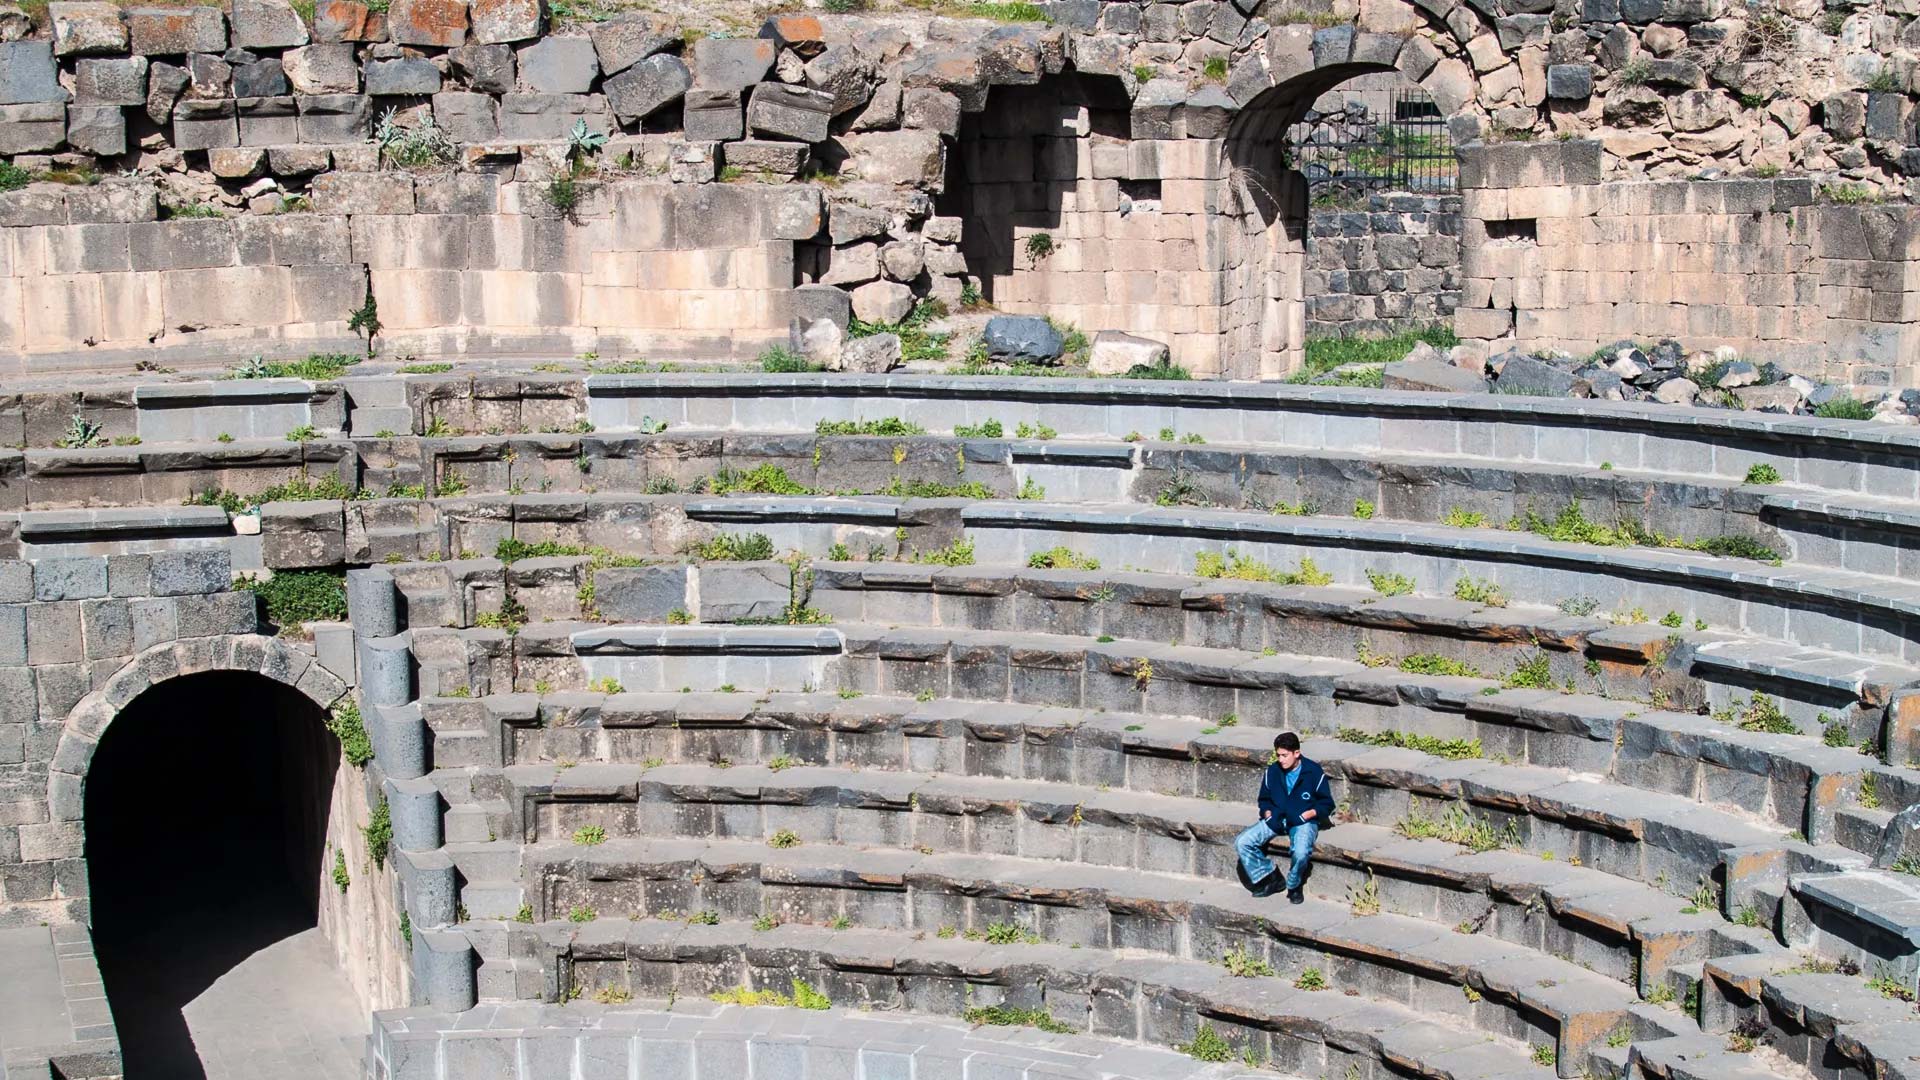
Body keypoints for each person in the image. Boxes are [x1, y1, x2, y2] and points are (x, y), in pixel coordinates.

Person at [1235, 731, 1335, 903]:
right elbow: (1264, 799)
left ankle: (1294, 885)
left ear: (1297, 753)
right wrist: (1266, 812)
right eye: (1278, 755)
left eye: (1285, 755)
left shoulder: (1313, 771)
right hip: (1276, 819)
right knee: (1242, 842)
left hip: (1302, 821)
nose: (1281, 759)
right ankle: (1271, 877)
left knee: (1301, 852)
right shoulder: (1273, 771)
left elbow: (1327, 804)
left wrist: (1308, 814)